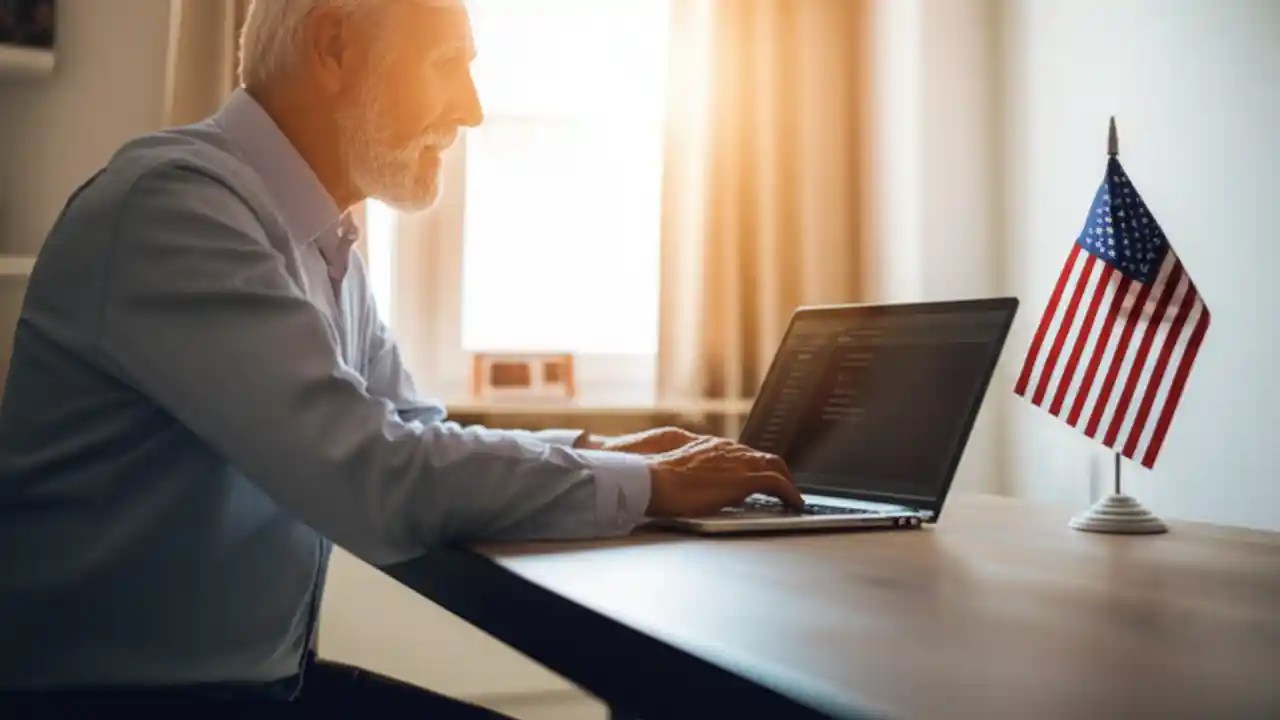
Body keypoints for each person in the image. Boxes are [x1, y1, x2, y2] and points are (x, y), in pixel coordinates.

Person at [0, 0, 801, 715]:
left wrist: (601, 452)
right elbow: (374, 475)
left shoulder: (317, 240)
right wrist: (651, 484)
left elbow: (414, 429)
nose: (474, 110)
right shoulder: (179, 208)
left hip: (248, 689)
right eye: (447, 62)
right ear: (335, 47)